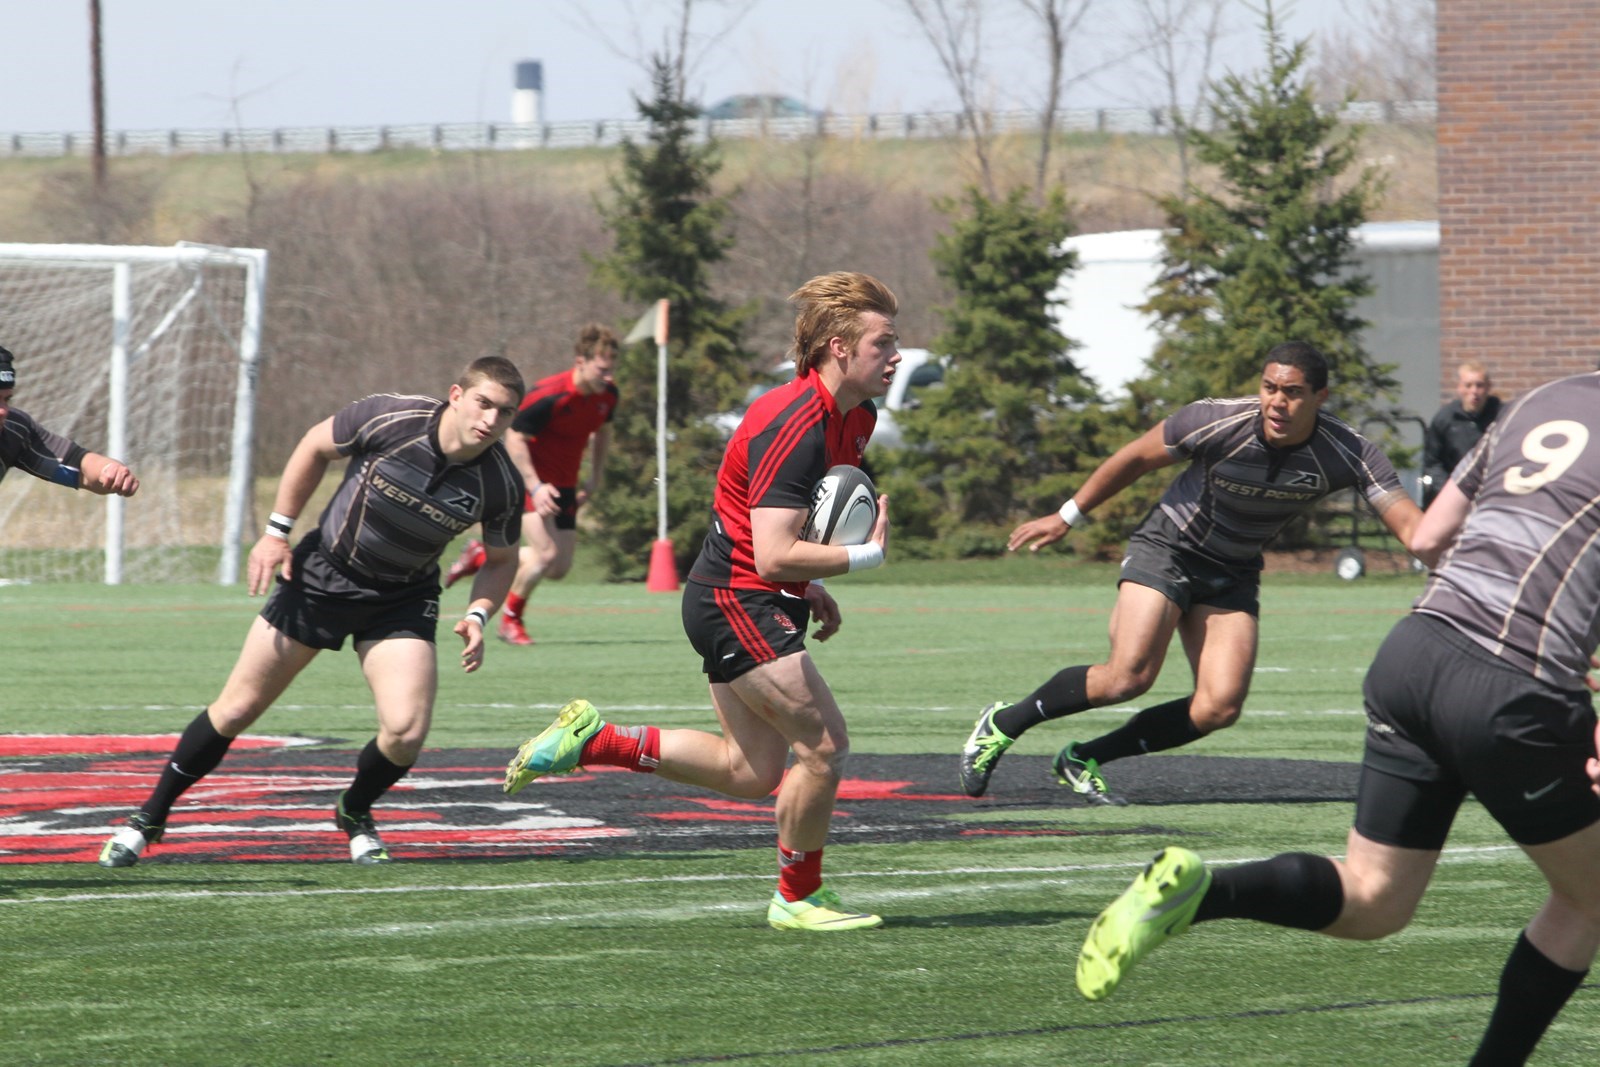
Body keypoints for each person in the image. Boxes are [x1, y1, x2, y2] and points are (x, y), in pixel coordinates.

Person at [1076, 370, 1600, 1066]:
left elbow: (1432, 535)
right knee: (1590, 898)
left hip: (1415, 651)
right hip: (1513, 684)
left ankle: (1204, 892)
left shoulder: (1539, 398)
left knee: (1375, 897)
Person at [502, 271, 896, 931]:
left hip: (746, 595)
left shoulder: (856, 416)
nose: (897, 355)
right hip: (739, 598)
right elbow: (771, 553)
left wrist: (814, 581)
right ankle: (797, 896)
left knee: (748, 770)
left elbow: (785, 529)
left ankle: (595, 740)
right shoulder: (794, 421)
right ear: (838, 346)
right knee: (824, 746)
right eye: (884, 343)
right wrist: (863, 556)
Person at [97, 356, 527, 868]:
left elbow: (501, 562)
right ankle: (148, 817)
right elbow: (313, 446)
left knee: (406, 732)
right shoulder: (392, 418)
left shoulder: (501, 483)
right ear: (456, 394)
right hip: (322, 576)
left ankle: (354, 811)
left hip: (401, 599)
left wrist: (478, 614)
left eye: (505, 413)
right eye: (483, 403)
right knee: (236, 709)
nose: (491, 420)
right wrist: (276, 533)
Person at [960, 341, 1423, 804]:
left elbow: (1408, 523)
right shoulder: (1216, 419)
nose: (1277, 402)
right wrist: (1067, 516)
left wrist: (1468, 565)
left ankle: (1084, 757)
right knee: (1128, 677)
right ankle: (1005, 722)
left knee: (1218, 707)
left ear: (1320, 398)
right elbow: (1136, 457)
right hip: (1169, 548)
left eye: (1293, 392)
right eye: (1269, 387)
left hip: (1234, 570)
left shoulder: (1349, 452)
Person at [443, 325, 619, 647]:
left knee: (559, 567)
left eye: (611, 368)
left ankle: (481, 556)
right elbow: (514, 436)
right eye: (602, 368)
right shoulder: (551, 394)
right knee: (546, 554)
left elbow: (603, 433)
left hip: (564, 486)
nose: (608, 375)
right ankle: (510, 619)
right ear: (580, 360)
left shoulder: (608, 396)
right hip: (527, 481)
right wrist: (535, 486)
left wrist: (595, 475)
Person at [0, 343, 139, 498]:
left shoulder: (15, 430)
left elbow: (79, 466)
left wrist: (109, 470)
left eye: (6, 399)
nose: (3, 411)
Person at [1421, 360, 1500, 506]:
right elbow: (1433, 463)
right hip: (1457, 497)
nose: (1474, 391)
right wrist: (1450, 493)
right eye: (1468, 385)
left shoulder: (1502, 416)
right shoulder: (1445, 419)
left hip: (1494, 493)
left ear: (1488, 387)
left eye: (1479, 385)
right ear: (1459, 388)